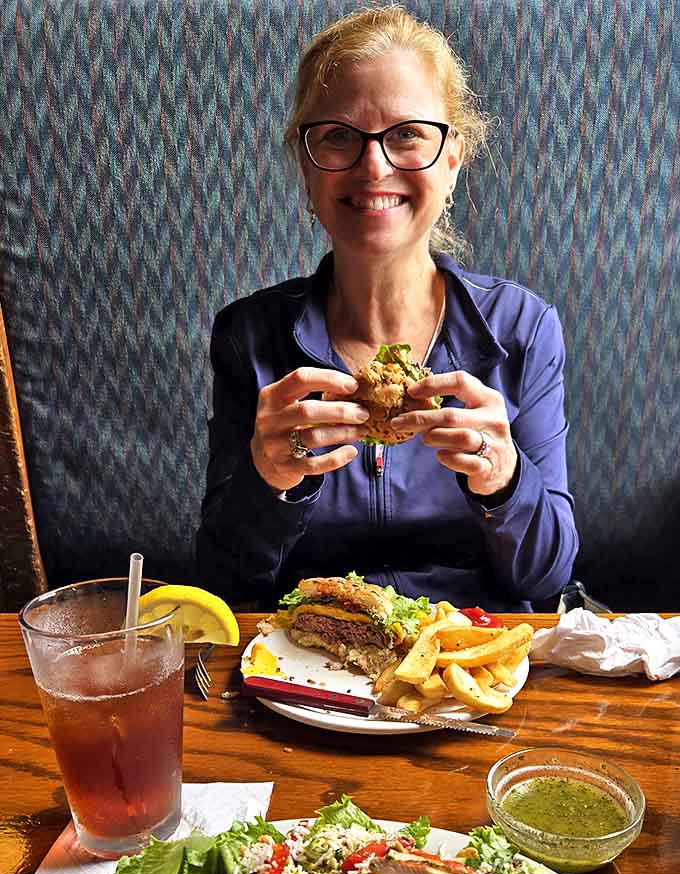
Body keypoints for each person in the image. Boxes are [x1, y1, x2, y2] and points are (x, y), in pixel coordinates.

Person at [197, 6, 578, 612]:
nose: (373, 166)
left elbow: (546, 580)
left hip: (466, 674)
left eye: (407, 134)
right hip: (308, 669)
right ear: (306, 165)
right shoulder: (249, 335)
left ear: (452, 158)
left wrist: (505, 480)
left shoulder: (523, 330)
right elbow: (224, 584)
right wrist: (265, 481)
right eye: (339, 136)